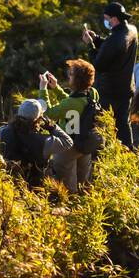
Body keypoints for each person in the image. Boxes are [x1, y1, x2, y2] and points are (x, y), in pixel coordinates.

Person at [39, 58, 103, 193]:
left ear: (76, 80)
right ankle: (85, 208)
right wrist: (56, 89)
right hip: (84, 144)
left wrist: (43, 90)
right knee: (83, 184)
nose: (69, 75)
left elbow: (49, 113)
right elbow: (72, 103)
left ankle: (69, 210)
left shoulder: (70, 104)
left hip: (66, 148)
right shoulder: (93, 93)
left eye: (71, 73)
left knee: (67, 188)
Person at [82, 2, 138, 148]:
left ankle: (102, 155)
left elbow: (97, 65)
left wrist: (89, 44)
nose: (105, 20)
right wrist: (97, 39)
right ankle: (129, 154)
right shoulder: (132, 30)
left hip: (109, 91)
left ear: (114, 19)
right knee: (123, 124)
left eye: (106, 18)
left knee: (103, 125)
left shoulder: (114, 40)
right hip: (126, 88)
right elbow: (114, 50)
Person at [0, 98, 74, 187]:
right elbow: (68, 142)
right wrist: (52, 127)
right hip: (34, 186)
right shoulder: (45, 141)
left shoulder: (3, 132)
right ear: (39, 118)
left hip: (8, 182)